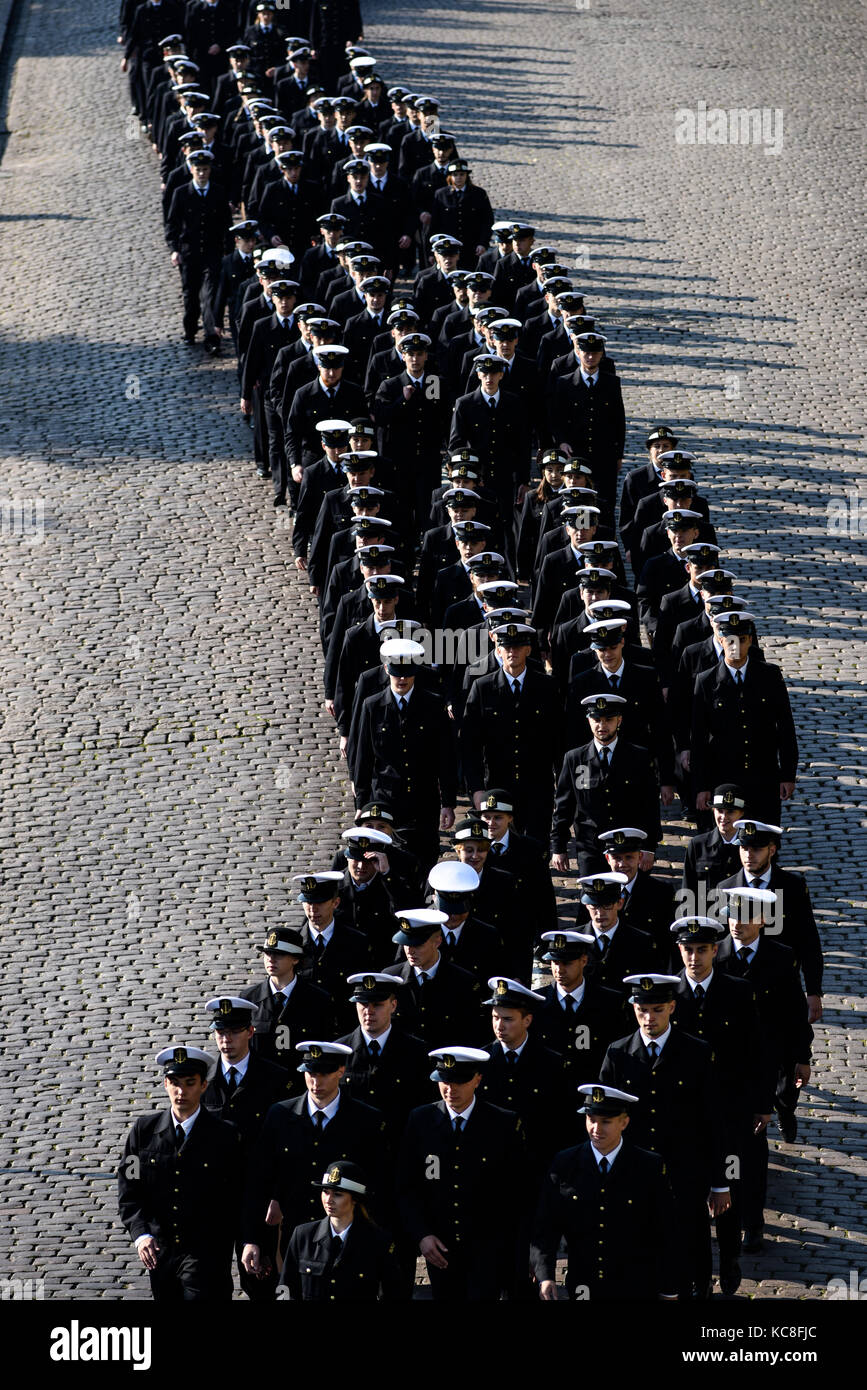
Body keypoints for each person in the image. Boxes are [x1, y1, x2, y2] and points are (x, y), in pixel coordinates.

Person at [600, 974, 729, 1299]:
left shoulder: (697, 1053)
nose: (649, 1018)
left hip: (684, 1171)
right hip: (633, 1173)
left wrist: (719, 1183)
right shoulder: (618, 1054)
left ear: (672, 1007)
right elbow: (600, 1121)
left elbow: (713, 1120)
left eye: (657, 1009)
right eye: (642, 1010)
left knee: (689, 1244)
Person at [241, 1040, 389, 1281]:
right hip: (296, 1235)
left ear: (341, 1071)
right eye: (310, 1073)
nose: (316, 1082)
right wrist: (252, 1238)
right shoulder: (280, 1115)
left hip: (349, 1234)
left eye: (324, 1074)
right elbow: (259, 1181)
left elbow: (379, 1184)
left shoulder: (365, 1120)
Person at [397, 1047, 525, 1300]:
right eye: (444, 1081)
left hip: (487, 1248)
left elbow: (517, 1191)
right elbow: (406, 1185)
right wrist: (422, 1234)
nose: (450, 1089)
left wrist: (506, 1247)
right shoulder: (421, 1120)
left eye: (460, 1081)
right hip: (439, 1246)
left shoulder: (503, 1123)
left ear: (477, 1080)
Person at [531, 1084, 678, 1300]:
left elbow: (666, 1232)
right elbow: (546, 1225)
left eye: (606, 1122)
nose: (596, 1129)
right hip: (583, 1285)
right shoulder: (565, 1163)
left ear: (624, 1122)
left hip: (635, 1284)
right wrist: (545, 1275)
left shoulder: (648, 1166)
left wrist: (669, 1289)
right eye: (591, 1120)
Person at [118, 1045, 242, 1300]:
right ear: (165, 1084)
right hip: (161, 1251)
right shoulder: (144, 1131)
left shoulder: (224, 1135)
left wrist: (248, 1240)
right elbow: (130, 1189)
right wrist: (141, 1234)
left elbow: (240, 1193)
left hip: (206, 1251)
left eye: (189, 1083)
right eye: (174, 1083)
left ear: (203, 1086)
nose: (181, 1091)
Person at [201, 996, 290, 1300]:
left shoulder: (275, 1079)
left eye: (234, 1032)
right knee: (209, 1283)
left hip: (259, 1198)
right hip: (215, 1198)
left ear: (250, 1032)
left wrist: (278, 1195)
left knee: (261, 1282)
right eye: (220, 1033)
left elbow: (285, 1147)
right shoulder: (202, 1083)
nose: (226, 1040)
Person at [278, 1160, 404, 1300]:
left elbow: (393, 1293)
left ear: (355, 1199)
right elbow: (286, 1289)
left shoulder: (378, 1241)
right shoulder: (303, 1235)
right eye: (325, 1192)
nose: (329, 1199)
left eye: (337, 1194)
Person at [239, 924, 335, 1073]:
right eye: (268, 953)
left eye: (279, 954)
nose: (271, 960)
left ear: (295, 959)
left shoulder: (318, 1000)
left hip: (300, 1083)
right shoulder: (249, 999)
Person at [165, 148, 231, 353]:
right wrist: (174, 249)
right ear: (191, 170)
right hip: (189, 253)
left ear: (210, 170)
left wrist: (227, 252)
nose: (201, 173)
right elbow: (172, 224)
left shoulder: (218, 192)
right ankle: (190, 329)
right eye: (198, 169)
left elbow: (226, 225)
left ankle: (212, 336)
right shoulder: (181, 193)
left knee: (209, 295)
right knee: (191, 295)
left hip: (212, 253)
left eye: (205, 169)